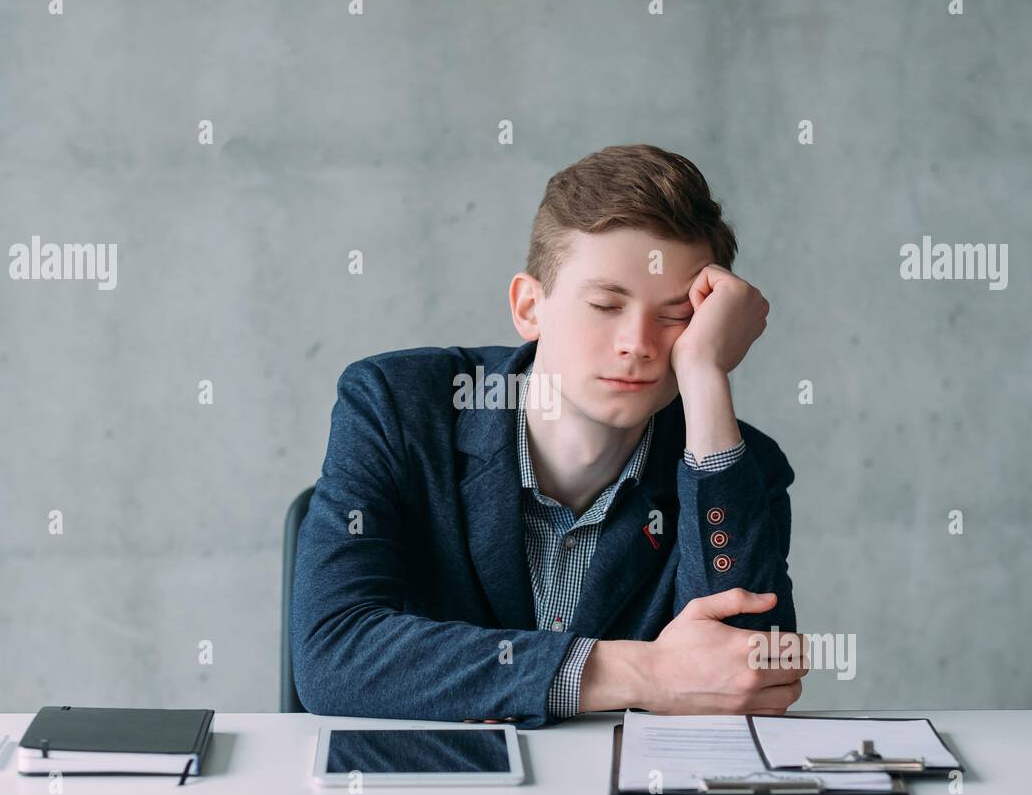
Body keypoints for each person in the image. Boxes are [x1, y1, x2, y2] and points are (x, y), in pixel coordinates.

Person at [291, 144, 807, 728]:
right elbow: (333, 653)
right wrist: (646, 672)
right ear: (529, 307)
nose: (637, 344)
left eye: (675, 317)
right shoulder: (398, 404)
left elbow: (747, 677)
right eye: (605, 305)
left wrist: (706, 377)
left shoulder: (734, 464)